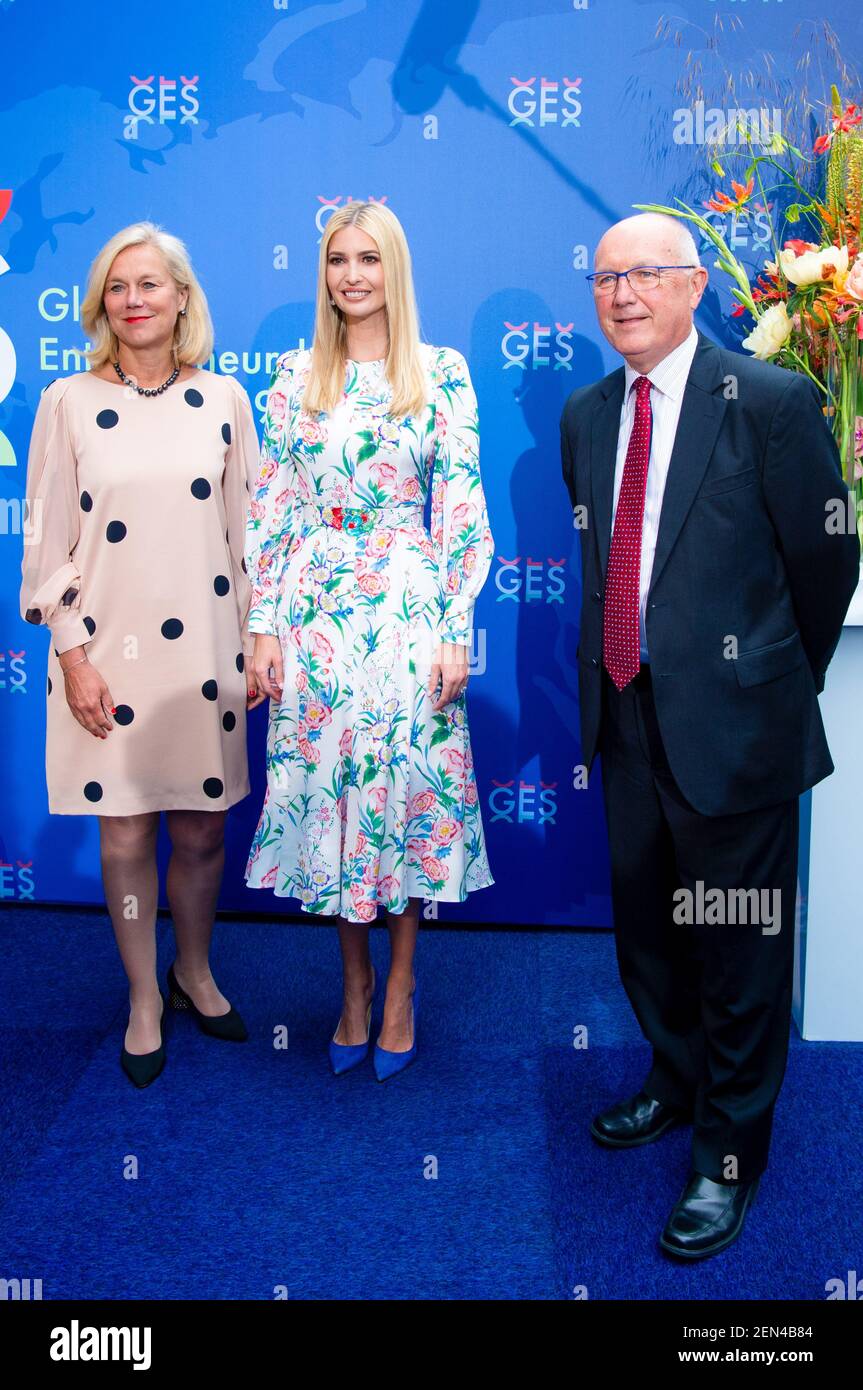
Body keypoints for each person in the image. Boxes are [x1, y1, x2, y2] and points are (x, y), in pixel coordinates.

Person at [560, 212, 860, 1258]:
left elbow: (823, 560)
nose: (621, 294)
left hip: (736, 727)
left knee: (737, 947)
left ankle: (726, 1156)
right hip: (625, 714)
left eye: (644, 274)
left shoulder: (771, 403)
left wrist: (774, 682)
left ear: (694, 287)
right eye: (603, 279)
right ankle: (674, 1080)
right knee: (648, 928)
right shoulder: (585, 414)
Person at [244, 200, 494, 1080]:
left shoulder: (440, 372)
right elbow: (269, 510)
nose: (351, 275)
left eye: (368, 260)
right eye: (336, 260)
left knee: (400, 798)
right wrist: (262, 624)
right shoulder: (291, 376)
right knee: (331, 796)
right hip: (313, 614)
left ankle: (400, 990)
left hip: (406, 608)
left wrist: (456, 631)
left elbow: (462, 512)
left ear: (394, 269)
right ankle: (351, 988)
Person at [19, 221, 261, 1088]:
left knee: (200, 831)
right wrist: (75, 653)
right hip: (104, 655)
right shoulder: (67, 401)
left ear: (181, 297)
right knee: (125, 839)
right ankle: (142, 997)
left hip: (206, 652)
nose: (133, 301)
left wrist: (260, 638)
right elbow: (47, 546)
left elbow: (250, 538)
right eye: (118, 287)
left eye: (150, 284)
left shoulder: (227, 400)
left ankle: (192, 972)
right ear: (100, 304)